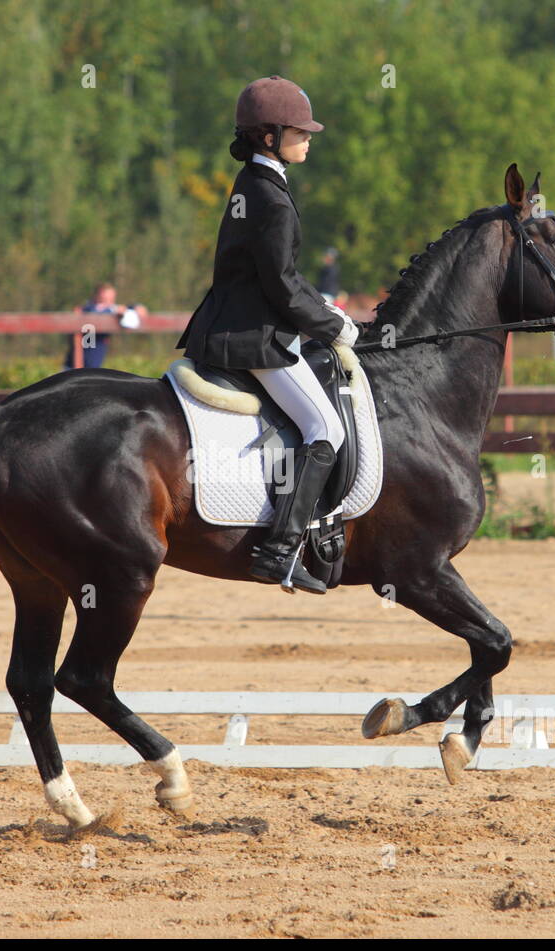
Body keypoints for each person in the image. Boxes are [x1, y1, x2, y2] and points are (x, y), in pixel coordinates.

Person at [175, 74, 360, 594]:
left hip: (236, 323)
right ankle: (279, 550)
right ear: (268, 136)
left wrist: (325, 309)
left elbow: (280, 278)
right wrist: (337, 325)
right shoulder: (270, 198)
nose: (309, 138)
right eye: (300, 131)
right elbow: (281, 285)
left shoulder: (255, 185)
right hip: (255, 338)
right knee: (326, 429)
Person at [63, 282, 147, 370]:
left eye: (111, 300)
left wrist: (135, 308)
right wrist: (114, 310)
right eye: (104, 300)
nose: (108, 303)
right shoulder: (86, 310)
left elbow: (139, 310)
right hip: (73, 368)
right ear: (96, 297)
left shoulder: (111, 309)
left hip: (93, 368)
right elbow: (96, 312)